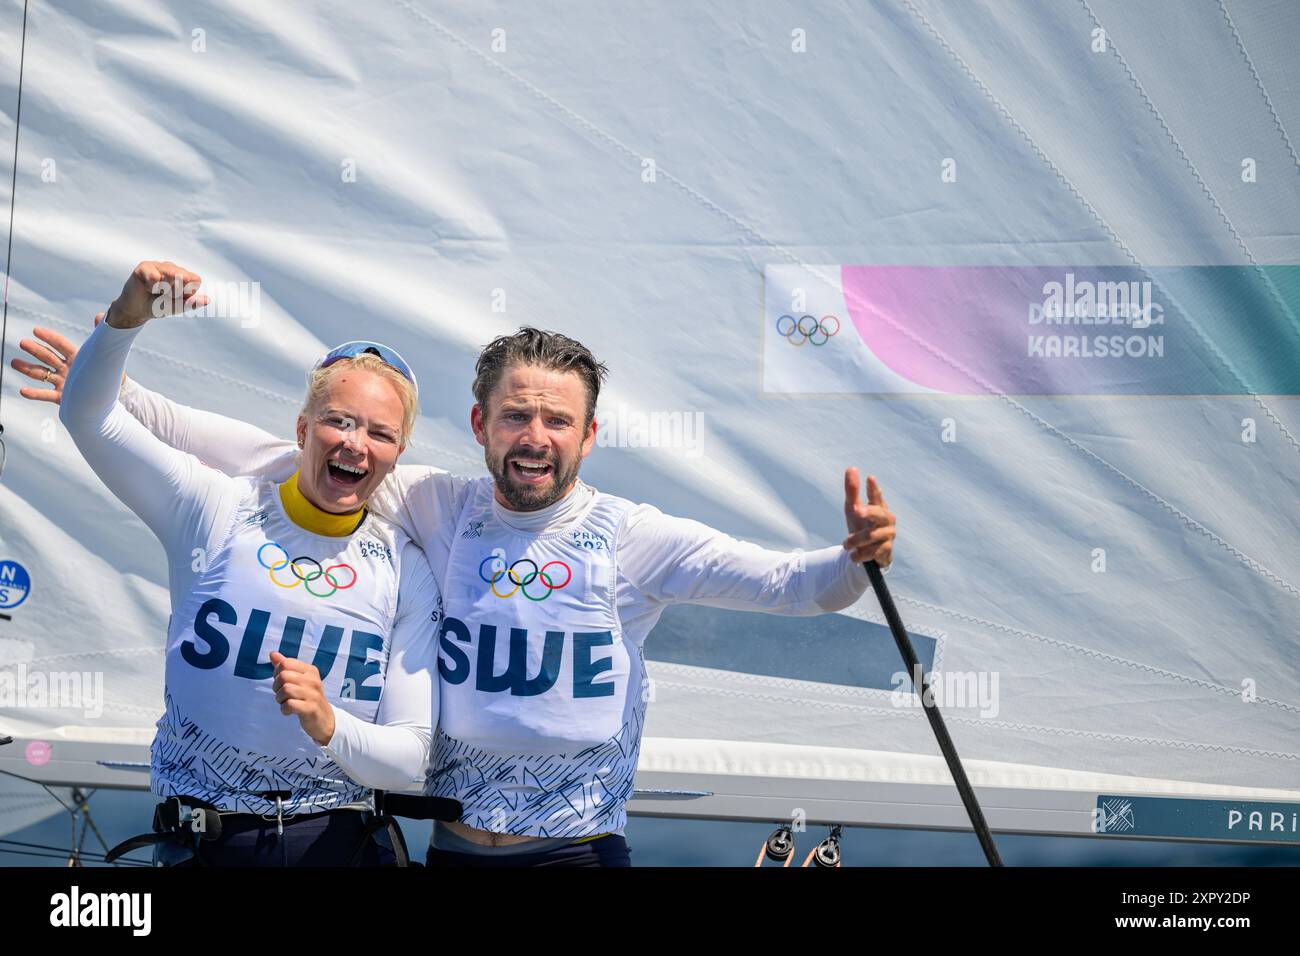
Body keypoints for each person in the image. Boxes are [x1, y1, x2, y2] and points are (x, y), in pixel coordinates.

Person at [21, 319, 897, 868]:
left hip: (577, 856)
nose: (534, 437)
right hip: (451, 852)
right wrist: (121, 387)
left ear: (589, 435)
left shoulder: (633, 538)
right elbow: (269, 453)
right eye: (516, 415)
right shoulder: (432, 501)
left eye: (557, 420)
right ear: (481, 425)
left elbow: (794, 587)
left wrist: (854, 561)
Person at [52, 261, 444, 865]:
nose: (354, 443)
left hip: (337, 847)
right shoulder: (211, 507)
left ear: (397, 454)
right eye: (338, 421)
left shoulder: (406, 568)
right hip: (203, 843)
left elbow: (412, 759)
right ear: (302, 429)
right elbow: (89, 415)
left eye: (379, 433)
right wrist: (124, 322)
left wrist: (330, 723)